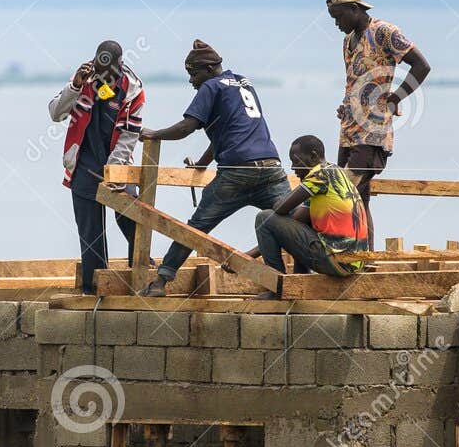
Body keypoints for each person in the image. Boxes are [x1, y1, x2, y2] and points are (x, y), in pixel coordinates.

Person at [138, 40, 292, 297]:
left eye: (194, 74)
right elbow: (230, 131)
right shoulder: (244, 83)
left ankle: (161, 282)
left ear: (209, 69)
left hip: (237, 172)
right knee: (288, 220)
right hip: (271, 167)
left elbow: (186, 127)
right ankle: (287, 282)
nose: (192, 81)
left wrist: (154, 134)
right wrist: (202, 164)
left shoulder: (210, 87)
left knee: (196, 227)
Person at [326, 0, 432, 247]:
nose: (337, 24)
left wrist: (396, 97)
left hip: (372, 134)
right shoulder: (347, 42)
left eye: (339, 17)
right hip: (348, 132)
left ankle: (358, 255)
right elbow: (355, 83)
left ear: (355, 8)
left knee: (344, 191)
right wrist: (347, 105)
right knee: (358, 199)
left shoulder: (384, 32)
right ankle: (363, 257)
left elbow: (422, 65)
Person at [48, 39, 143, 294]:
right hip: (84, 163)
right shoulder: (85, 80)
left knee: (129, 213)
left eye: (109, 73)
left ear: (120, 66)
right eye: (100, 72)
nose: (103, 78)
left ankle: (141, 267)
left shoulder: (132, 91)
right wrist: (76, 85)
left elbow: (129, 137)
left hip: (118, 162)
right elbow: (55, 113)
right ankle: (95, 286)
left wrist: (112, 173)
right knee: (90, 230)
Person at [250, 134, 369, 298]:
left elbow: (281, 210)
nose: (293, 168)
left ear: (313, 157)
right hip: (352, 263)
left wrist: (278, 201)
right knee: (303, 224)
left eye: (296, 161)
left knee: (264, 217)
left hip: (336, 260)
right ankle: (301, 279)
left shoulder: (319, 174)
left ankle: (276, 288)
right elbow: (294, 223)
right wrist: (249, 255)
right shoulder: (337, 173)